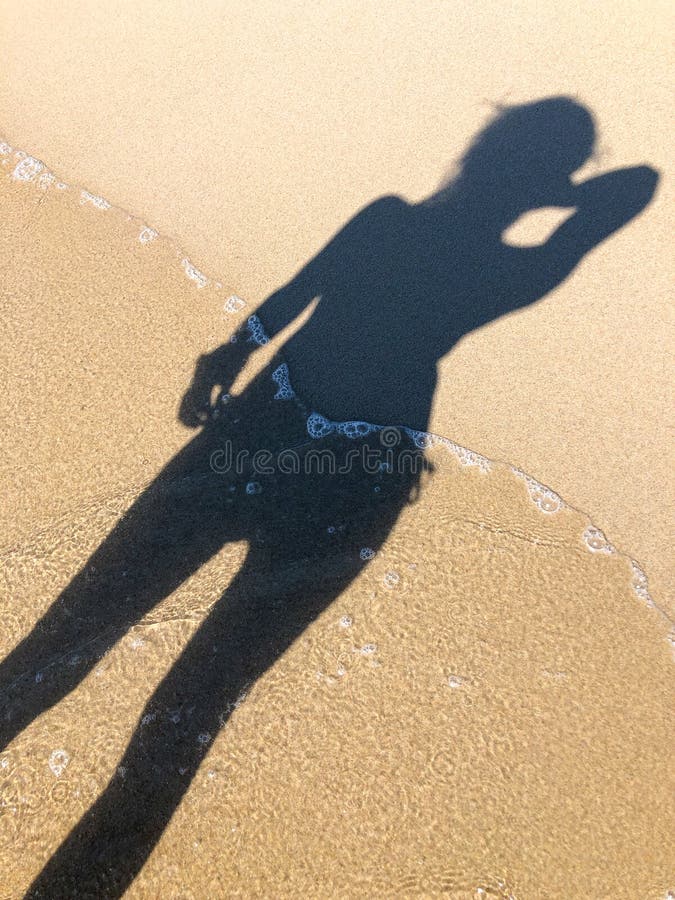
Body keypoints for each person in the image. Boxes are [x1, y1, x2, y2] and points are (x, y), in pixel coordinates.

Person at [1, 97, 657, 897]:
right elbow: (633, 187)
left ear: (480, 147)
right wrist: (554, 190)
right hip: (353, 489)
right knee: (184, 717)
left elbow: (291, 299)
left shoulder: (392, 224)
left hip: (254, 440)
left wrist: (226, 357)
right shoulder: (511, 273)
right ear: (540, 179)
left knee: (70, 641)